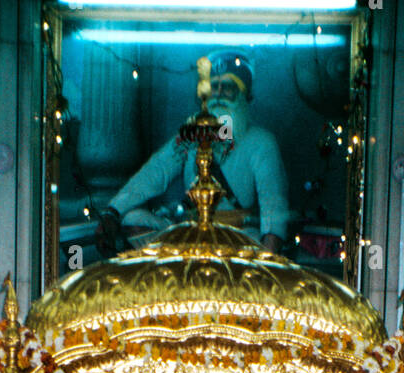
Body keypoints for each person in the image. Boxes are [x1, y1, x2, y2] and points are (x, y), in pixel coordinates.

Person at [98, 51, 289, 254]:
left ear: (245, 95)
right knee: (133, 221)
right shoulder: (191, 133)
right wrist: (113, 211)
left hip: (237, 239)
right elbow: (157, 170)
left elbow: (273, 203)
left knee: (255, 244)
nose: (218, 94)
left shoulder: (261, 142)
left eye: (228, 87)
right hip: (191, 235)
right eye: (214, 87)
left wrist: (270, 257)